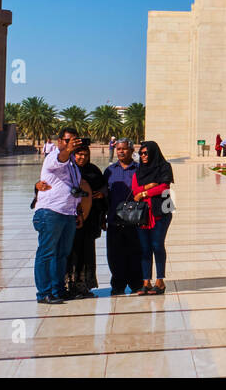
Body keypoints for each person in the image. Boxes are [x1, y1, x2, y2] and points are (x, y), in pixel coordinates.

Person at [31, 127, 91, 304]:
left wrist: (77, 212)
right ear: (59, 141)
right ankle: (44, 293)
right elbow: (61, 158)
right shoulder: (54, 157)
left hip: (67, 213)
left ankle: (58, 290)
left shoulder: (73, 165)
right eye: (67, 140)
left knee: (61, 254)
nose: (71, 144)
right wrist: (68, 149)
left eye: (74, 140)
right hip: (51, 212)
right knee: (46, 253)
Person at [132, 140, 175, 296]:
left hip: (161, 211)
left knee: (157, 245)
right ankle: (146, 282)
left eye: (145, 153)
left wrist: (143, 193)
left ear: (153, 152)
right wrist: (148, 186)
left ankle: (160, 281)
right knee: (145, 248)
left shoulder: (164, 167)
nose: (143, 156)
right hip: (143, 214)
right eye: (141, 153)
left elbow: (164, 187)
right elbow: (134, 188)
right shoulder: (139, 170)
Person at [65, 139, 106, 298]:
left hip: (90, 220)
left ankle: (84, 286)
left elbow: (103, 189)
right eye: (79, 154)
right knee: (71, 252)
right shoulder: (68, 170)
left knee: (87, 252)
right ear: (74, 155)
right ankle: (69, 285)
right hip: (71, 219)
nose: (82, 157)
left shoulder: (93, 171)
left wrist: (102, 194)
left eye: (85, 154)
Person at [104, 139, 144, 295]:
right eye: (118, 149)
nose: (121, 151)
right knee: (115, 254)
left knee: (136, 252)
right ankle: (118, 284)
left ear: (131, 150)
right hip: (115, 220)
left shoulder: (139, 169)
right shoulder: (110, 171)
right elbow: (104, 196)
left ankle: (137, 283)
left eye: (124, 149)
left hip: (135, 220)